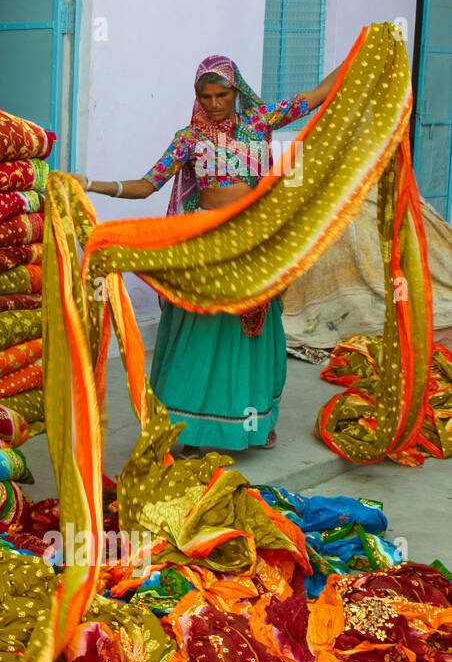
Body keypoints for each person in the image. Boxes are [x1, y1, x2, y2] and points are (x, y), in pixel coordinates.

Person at [72, 55, 341, 451]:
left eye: (222, 94)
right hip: (206, 242)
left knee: (252, 331)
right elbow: (148, 185)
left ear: (237, 91)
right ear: (196, 96)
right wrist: (91, 183)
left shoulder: (259, 123)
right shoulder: (189, 138)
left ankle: (253, 422)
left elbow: (318, 95)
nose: (214, 103)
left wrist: (363, 51)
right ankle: (191, 428)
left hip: (251, 240)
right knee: (200, 328)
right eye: (206, 95)